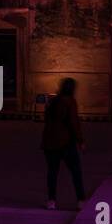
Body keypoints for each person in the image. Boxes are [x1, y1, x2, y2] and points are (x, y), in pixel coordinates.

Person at [41, 77, 86, 209]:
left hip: (49, 142)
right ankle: (81, 200)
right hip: (65, 142)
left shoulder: (53, 101)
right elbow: (73, 123)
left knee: (52, 172)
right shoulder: (70, 102)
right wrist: (81, 141)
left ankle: (51, 201)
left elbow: (47, 119)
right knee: (76, 171)